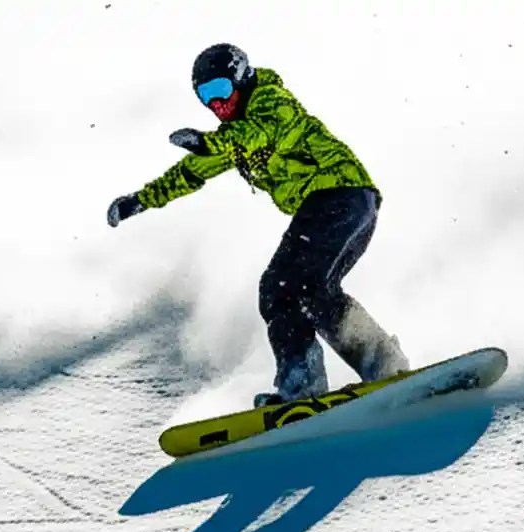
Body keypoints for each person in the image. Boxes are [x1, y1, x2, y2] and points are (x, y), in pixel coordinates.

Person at [106, 43, 409, 407]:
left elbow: (257, 133)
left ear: (241, 78)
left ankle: (301, 385)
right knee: (314, 293)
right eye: (204, 95)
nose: (215, 103)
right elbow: (191, 172)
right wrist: (140, 200)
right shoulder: (231, 137)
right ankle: (384, 364)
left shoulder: (270, 101)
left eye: (219, 89)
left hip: (335, 197)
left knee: (278, 288)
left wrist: (206, 142)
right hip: (354, 205)